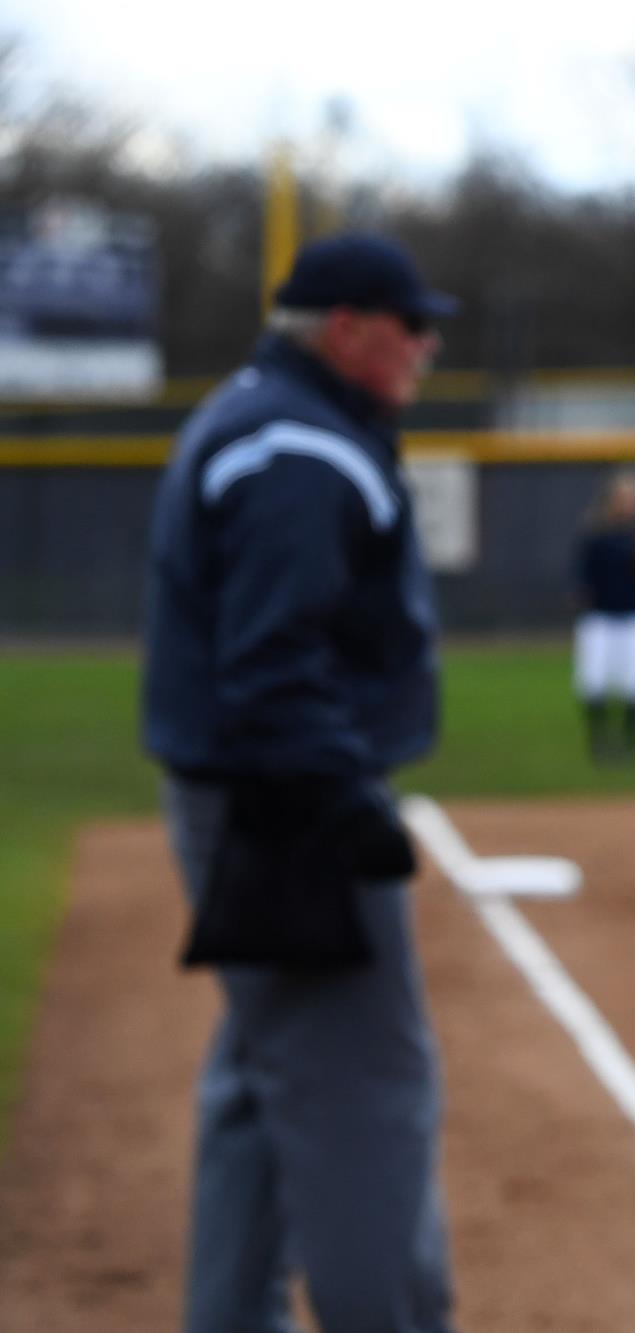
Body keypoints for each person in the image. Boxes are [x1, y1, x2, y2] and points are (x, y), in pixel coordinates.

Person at [141, 233, 457, 1332]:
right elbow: (272, 660)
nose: (425, 343)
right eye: (410, 324)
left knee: (257, 1090)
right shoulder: (296, 445)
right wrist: (340, 794)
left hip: (256, 797)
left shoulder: (274, 418)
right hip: (287, 807)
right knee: (369, 1097)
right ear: (347, 328)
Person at [572, 465, 635, 764]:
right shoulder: (597, 533)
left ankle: (630, 747)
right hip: (601, 617)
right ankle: (599, 744)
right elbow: (583, 577)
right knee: (593, 682)